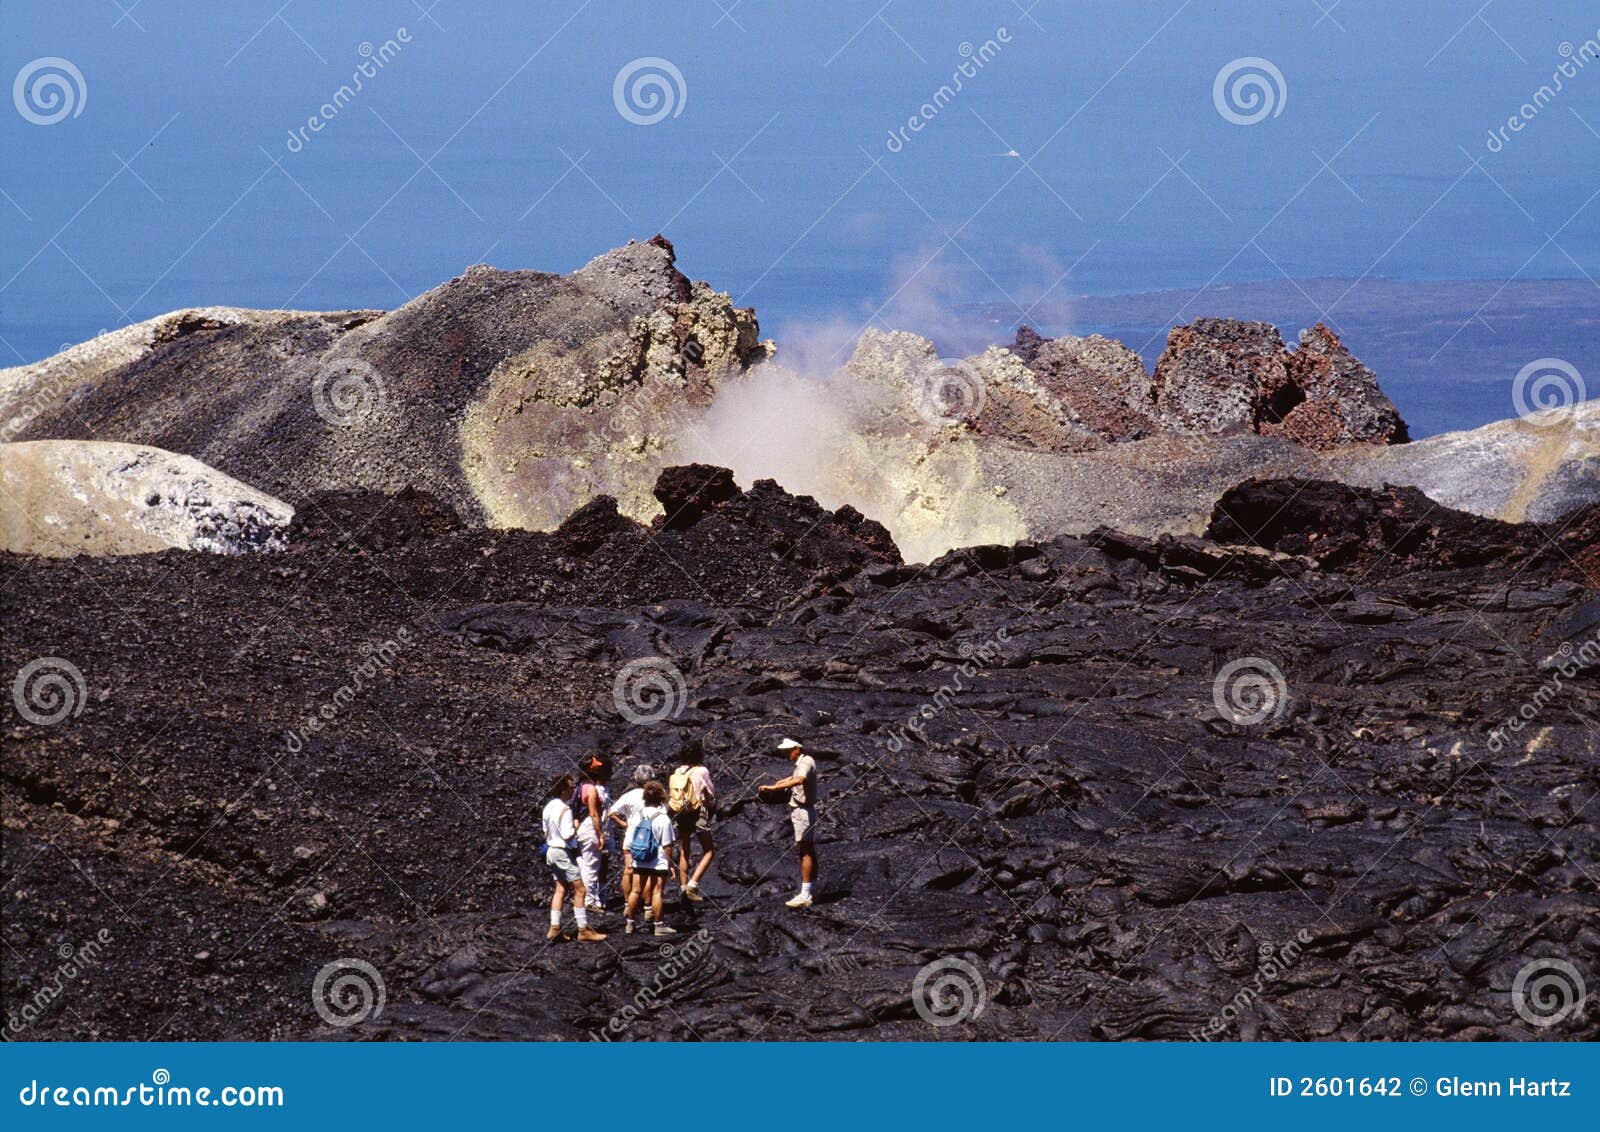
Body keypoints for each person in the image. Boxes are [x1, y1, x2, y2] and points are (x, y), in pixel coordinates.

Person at [541, 774, 606, 942]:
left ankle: (555, 928)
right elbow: (568, 834)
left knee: (560, 889)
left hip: (551, 852)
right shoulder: (565, 809)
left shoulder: (548, 807)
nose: (573, 790)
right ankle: (583, 930)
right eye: (570, 787)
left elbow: (545, 832)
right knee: (581, 890)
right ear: (563, 790)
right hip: (562, 853)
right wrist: (576, 827)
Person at [761, 737, 817, 908]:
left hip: (803, 812)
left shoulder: (805, 762)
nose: (786, 754)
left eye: (788, 750)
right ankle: (811, 888)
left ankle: (805, 894)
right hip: (802, 811)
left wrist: (774, 788)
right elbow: (794, 777)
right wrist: (780, 782)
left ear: (797, 749)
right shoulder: (802, 762)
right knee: (807, 850)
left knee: (805, 851)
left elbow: (799, 780)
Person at [623, 782, 677, 936]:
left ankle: (630, 924)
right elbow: (667, 845)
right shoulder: (663, 818)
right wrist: (670, 864)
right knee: (657, 892)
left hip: (639, 857)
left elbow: (630, 838)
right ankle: (658, 926)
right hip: (657, 860)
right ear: (661, 797)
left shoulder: (637, 815)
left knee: (635, 891)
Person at [667, 740, 716, 901]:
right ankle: (693, 885)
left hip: (680, 811)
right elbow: (710, 794)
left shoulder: (678, 771)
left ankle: (682, 887)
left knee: (684, 850)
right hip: (697, 811)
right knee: (709, 850)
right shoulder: (702, 771)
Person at [609, 763, 655, 917]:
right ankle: (647, 906)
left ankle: (628, 904)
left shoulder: (629, 795)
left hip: (631, 837)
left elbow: (611, 812)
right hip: (648, 837)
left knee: (628, 871)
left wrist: (623, 823)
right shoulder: (653, 795)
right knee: (648, 871)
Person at [572, 753, 613, 912]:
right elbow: (594, 814)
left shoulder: (581, 785)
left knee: (585, 862)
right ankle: (589, 900)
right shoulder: (591, 789)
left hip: (583, 827)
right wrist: (601, 834)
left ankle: (585, 897)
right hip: (590, 827)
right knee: (591, 865)